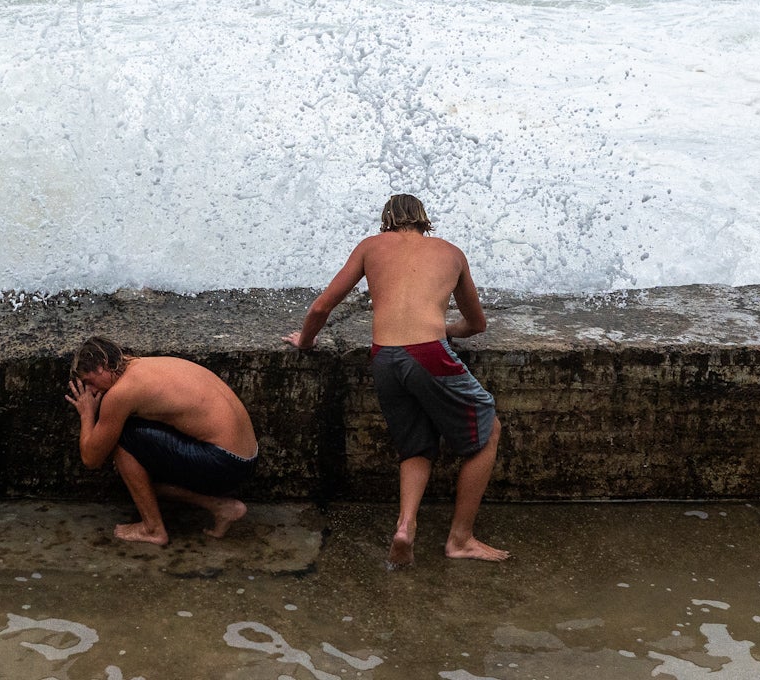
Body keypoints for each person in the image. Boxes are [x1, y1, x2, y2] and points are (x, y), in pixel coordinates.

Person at [286, 193, 509, 565]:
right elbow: (477, 324)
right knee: (489, 430)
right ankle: (461, 538)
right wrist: (444, 327)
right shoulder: (451, 252)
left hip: (384, 357)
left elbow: (321, 306)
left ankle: (405, 527)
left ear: (386, 220)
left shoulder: (370, 247)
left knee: (415, 446)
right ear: (424, 220)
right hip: (428, 354)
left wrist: (305, 341)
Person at [65, 336, 258, 545]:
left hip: (224, 462)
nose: (91, 391)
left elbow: (91, 459)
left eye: (89, 382)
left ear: (102, 366)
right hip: (248, 457)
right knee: (139, 471)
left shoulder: (121, 393)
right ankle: (221, 507)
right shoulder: (143, 364)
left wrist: (87, 414)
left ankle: (153, 528)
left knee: (124, 438)